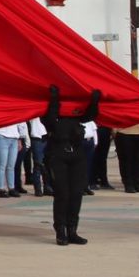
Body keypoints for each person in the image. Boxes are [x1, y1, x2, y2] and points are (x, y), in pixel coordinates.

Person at [44, 86, 98, 247]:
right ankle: (61, 230)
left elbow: (90, 115)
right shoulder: (51, 112)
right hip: (57, 154)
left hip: (77, 154)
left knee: (76, 193)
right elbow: (49, 120)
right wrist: (54, 100)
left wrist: (94, 101)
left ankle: (72, 230)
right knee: (62, 193)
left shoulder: (77, 114)